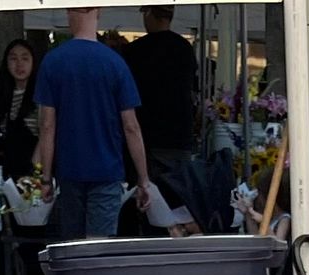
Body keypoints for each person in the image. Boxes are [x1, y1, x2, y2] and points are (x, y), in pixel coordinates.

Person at [33, 5, 152, 240]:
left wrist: (45, 177)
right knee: (97, 249)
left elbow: (47, 125)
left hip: (69, 170)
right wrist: (143, 179)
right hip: (107, 170)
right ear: (98, 12)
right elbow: (131, 126)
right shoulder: (116, 63)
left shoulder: (53, 61)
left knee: (72, 246)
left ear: (69, 13)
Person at [123, 6, 199, 211]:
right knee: (177, 200)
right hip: (179, 135)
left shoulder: (135, 51)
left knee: (147, 200)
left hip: (147, 134)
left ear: (149, 14)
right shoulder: (184, 48)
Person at [0, 37, 39, 177]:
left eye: (25, 58)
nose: (19, 64)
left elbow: (45, 135)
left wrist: (36, 172)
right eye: (13, 59)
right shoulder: (2, 97)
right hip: (8, 171)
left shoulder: (41, 96)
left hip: (33, 173)